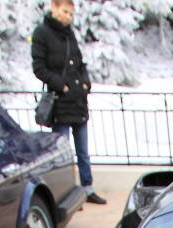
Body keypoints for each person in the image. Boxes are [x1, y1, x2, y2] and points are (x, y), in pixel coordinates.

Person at [32, 0, 105, 205]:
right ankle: (65, 194)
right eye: (65, 12)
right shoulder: (42, 33)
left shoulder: (69, 34)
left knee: (83, 151)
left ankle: (87, 188)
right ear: (54, 8)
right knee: (62, 154)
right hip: (61, 102)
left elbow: (80, 63)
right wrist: (61, 85)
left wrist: (85, 83)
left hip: (78, 101)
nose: (68, 17)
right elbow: (39, 68)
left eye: (71, 14)